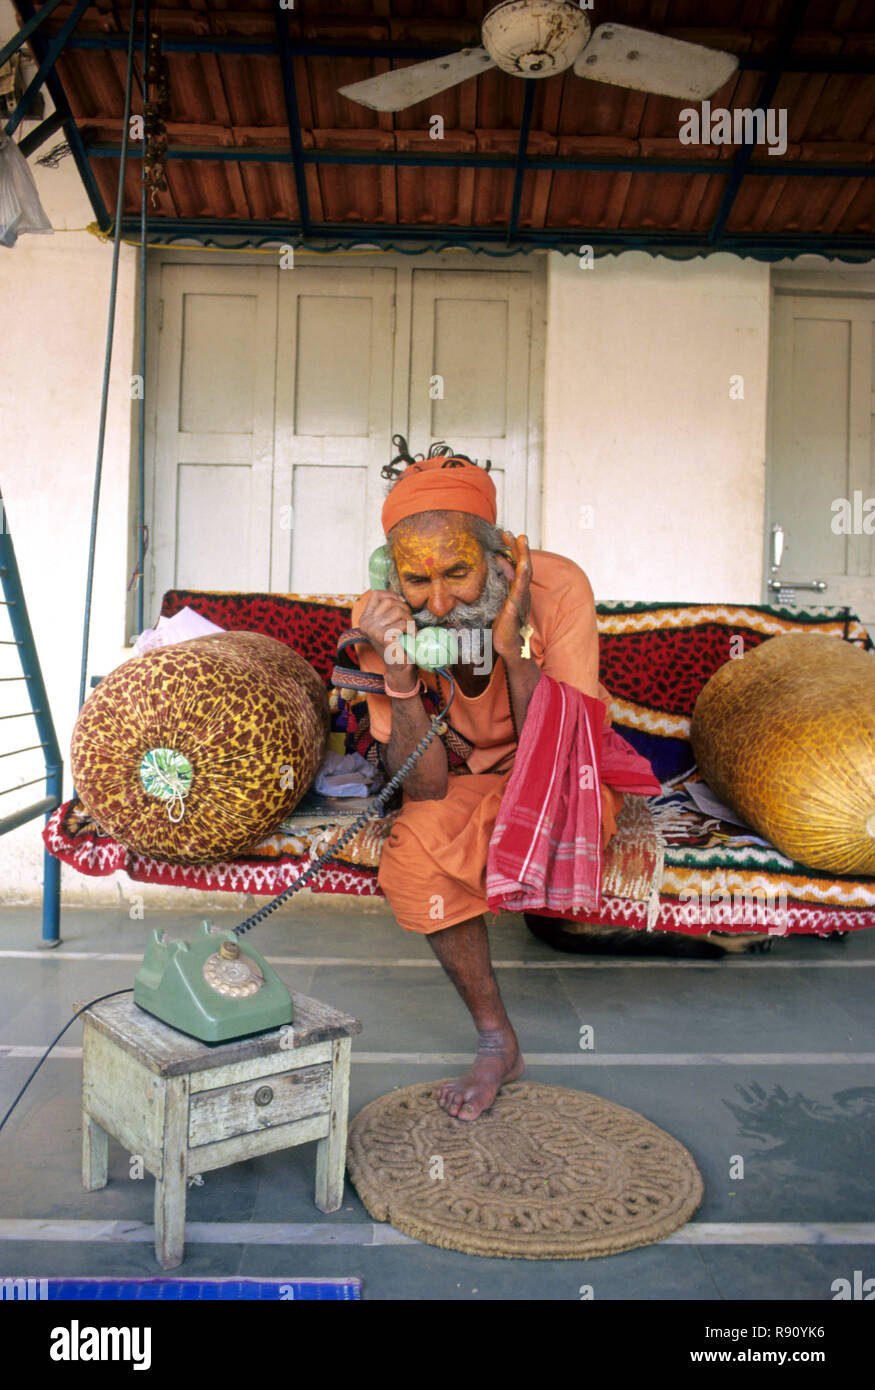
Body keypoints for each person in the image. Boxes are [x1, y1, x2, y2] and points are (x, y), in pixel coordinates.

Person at [350, 445, 625, 1121]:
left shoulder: (558, 588)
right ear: (390, 574)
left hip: (566, 772)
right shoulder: (383, 618)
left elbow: (556, 763)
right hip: (468, 783)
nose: (439, 604)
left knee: (545, 823)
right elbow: (425, 788)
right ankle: (497, 1039)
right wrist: (399, 671)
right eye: (416, 580)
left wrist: (513, 647)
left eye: (458, 574)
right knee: (414, 847)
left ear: (500, 557)